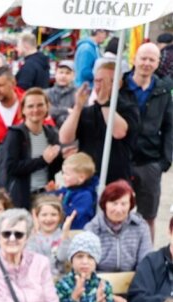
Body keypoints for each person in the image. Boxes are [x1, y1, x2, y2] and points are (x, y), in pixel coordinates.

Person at [60, 57, 138, 188]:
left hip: (116, 179)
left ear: (118, 84)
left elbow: (119, 132)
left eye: (108, 81)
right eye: (98, 81)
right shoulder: (87, 111)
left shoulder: (129, 108)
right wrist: (78, 107)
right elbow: (65, 138)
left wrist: (105, 103)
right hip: (87, 179)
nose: (102, 86)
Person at [122, 42, 173, 231]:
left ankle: (146, 250)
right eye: (143, 58)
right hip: (121, 159)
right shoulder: (120, 85)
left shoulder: (163, 90)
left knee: (148, 217)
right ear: (134, 59)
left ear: (158, 63)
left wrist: (165, 160)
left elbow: (169, 126)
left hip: (150, 160)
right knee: (117, 212)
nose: (146, 63)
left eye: (152, 60)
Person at [1, 88, 63, 210]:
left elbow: (53, 167)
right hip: (22, 197)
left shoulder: (51, 132)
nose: (35, 110)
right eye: (30, 106)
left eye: (40, 105)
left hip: (46, 195)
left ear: (47, 107)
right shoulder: (16, 133)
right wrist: (42, 161)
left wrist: (62, 157)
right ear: (23, 110)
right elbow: (11, 167)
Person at [83, 180, 152, 273]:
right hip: (99, 277)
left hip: (132, 277)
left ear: (130, 205)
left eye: (124, 204)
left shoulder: (141, 227)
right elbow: (86, 264)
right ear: (105, 204)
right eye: (114, 203)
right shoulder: (92, 229)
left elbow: (145, 262)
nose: (119, 209)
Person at [26, 195, 72, 272]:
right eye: (44, 215)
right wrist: (33, 233)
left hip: (58, 277)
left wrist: (65, 235)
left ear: (60, 216)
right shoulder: (32, 237)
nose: (49, 219)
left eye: (53, 215)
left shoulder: (63, 237)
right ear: (37, 217)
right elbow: (31, 257)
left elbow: (62, 257)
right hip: (36, 276)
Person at [60, 151, 98, 228]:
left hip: (78, 230)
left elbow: (74, 214)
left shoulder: (85, 196)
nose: (63, 176)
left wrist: (59, 206)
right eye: (63, 173)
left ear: (81, 178)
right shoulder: (69, 190)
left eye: (67, 174)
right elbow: (57, 193)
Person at [47, 59, 78, 128]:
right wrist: (67, 110)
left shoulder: (78, 94)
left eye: (67, 73)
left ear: (74, 76)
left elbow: (78, 114)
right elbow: (47, 110)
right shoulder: (47, 93)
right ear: (56, 74)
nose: (63, 76)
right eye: (61, 72)